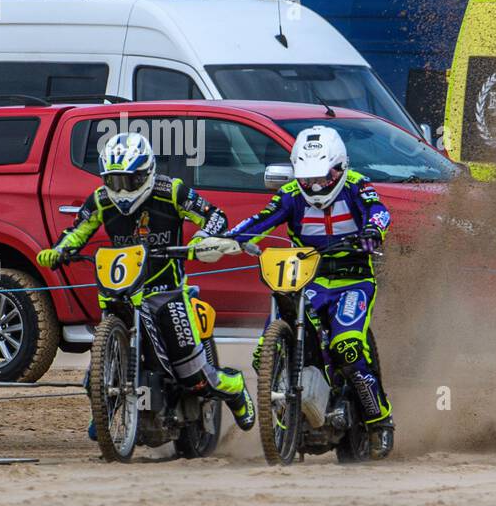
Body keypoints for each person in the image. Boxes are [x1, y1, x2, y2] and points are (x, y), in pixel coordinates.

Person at [36, 132, 256, 434]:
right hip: (121, 291)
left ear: (147, 172)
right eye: (114, 181)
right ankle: (106, 403)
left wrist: (202, 241)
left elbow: (215, 216)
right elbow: (77, 230)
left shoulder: (172, 191)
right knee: (95, 371)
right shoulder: (101, 199)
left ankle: (232, 387)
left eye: (129, 180)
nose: (121, 189)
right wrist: (59, 251)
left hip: (167, 291)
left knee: (193, 375)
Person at [224, 125, 395, 459]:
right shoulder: (289, 194)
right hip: (307, 279)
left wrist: (373, 232)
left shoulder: (358, 186)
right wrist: (230, 238)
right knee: (263, 354)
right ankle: (292, 412)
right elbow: (259, 220)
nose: (315, 186)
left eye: (323, 178)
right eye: (307, 179)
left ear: (340, 168)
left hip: (352, 280)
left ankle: (379, 421)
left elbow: (380, 212)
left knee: (346, 347)